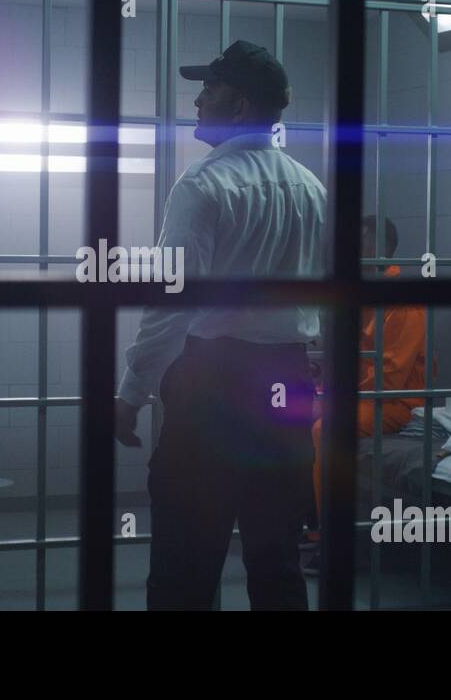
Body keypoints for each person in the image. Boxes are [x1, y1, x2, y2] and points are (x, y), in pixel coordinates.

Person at [113, 40, 327, 610]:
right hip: (285, 386)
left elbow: (170, 300)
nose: (197, 100)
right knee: (278, 560)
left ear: (236, 107)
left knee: (186, 561)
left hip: (215, 384)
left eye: (209, 89)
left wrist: (132, 391)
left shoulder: (202, 185)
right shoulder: (312, 188)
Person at [302, 216, 428, 572]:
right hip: (361, 395)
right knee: (286, 413)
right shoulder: (361, 294)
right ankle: (309, 524)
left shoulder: (401, 302)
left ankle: (333, 541)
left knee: (323, 430)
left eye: (360, 244)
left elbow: (388, 380)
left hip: (397, 404)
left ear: (380, 249)